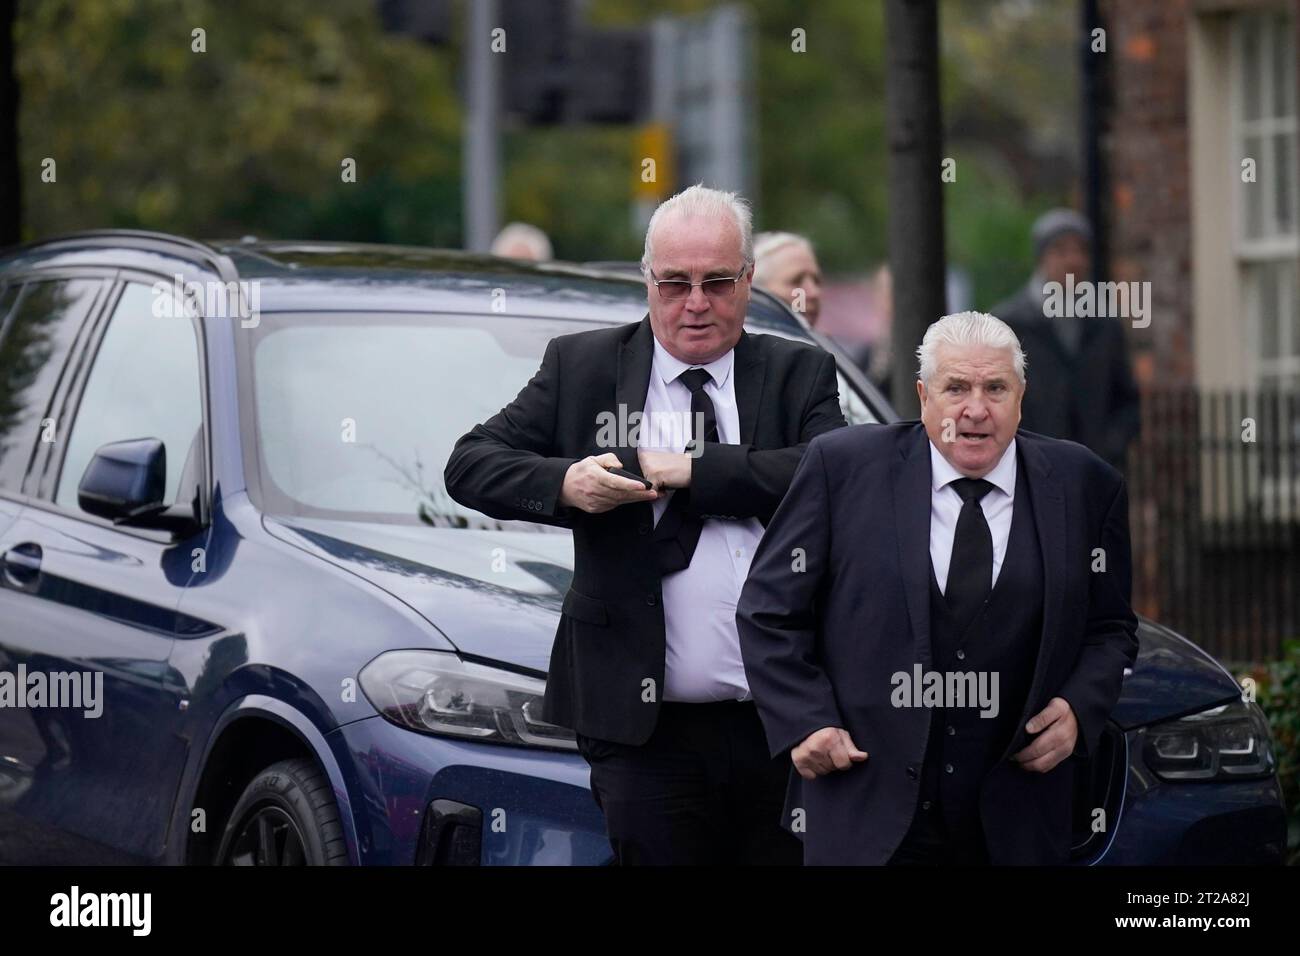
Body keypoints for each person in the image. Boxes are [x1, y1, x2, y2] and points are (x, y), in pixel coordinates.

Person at [444, 184, 846, 864]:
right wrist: (566, 483)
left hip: (779, 722)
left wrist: (695, 469)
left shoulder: (796, 371)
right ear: (646, 280)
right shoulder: (585, 367)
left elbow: (830, 477)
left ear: (749, 280)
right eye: (675, 283)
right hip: (642, 731)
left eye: (718, 282)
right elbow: (471, 463)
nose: (696, 304)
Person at [736, 311, 1139, 865]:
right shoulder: (843, 468)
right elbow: (768, 610)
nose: (975, 410)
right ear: (924, 396)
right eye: (956, 388)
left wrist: (1078, 708)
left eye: (995, 387)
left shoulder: (1084, 484)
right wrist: (805, 722)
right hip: (867, 808)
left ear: (1021, 396)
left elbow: (1112, 628)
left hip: (1015, 821)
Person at [992, 209, 1139, 471]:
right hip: (1029, 467)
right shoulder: (1009, 322)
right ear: (1042, 258)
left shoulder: (1105, 322)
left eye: (1080, 251)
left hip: (1094, 469)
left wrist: (1110, 447)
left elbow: (1126, 401)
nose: (1073, 261)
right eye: (1061, 251)